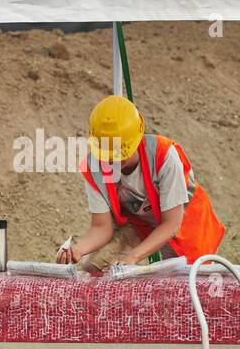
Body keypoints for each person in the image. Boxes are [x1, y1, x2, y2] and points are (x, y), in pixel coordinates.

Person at [57, 95, 225, 268]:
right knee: (96, 267)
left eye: (121, 154)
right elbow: (101, 227)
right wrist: (77, 250)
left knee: (183, 282)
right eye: (108, 155)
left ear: (136, 140)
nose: (114, 162)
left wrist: (133, 257)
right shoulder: (96, 166)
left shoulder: (164, 156)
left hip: (184, 224)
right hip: (139, 222)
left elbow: (171, 224)